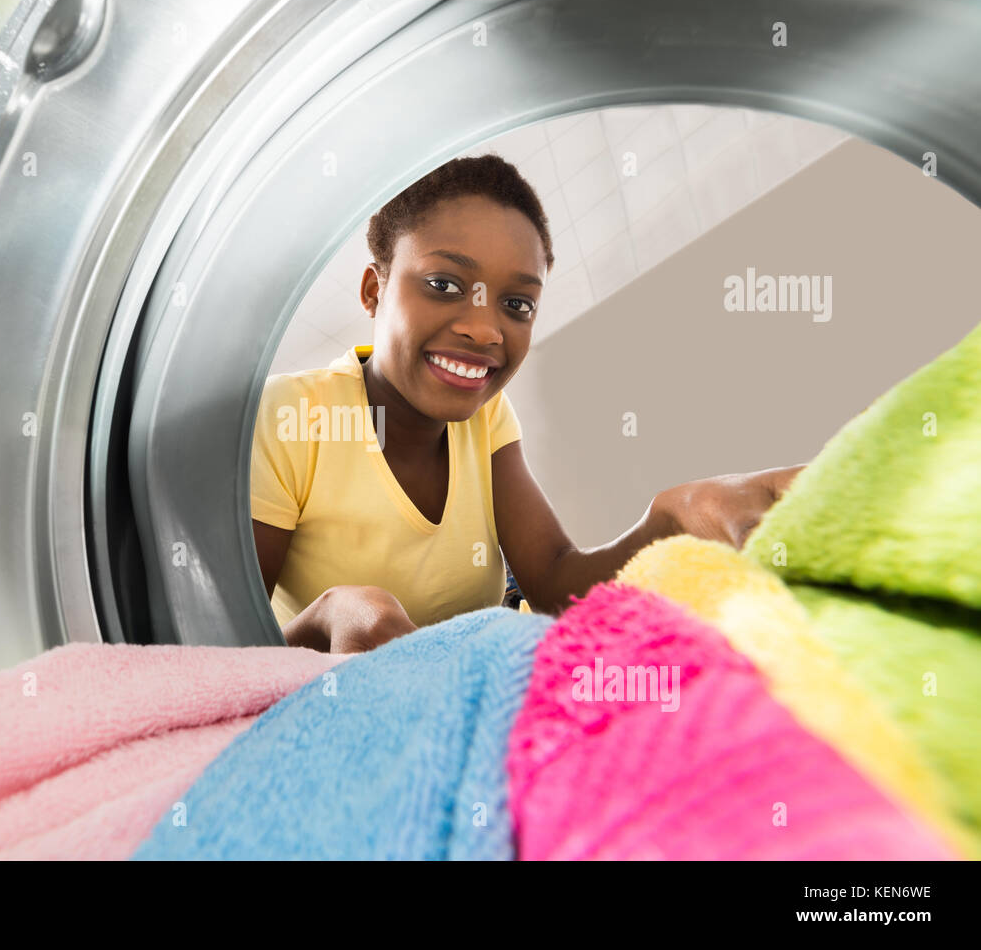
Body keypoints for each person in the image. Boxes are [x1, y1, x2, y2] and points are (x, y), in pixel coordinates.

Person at [251, 154, 803, 654]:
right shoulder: (294, 415)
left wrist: (673, 516)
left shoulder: (486, 416)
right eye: (444, 284)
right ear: (375, 290)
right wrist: (330, 619)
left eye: (516, 303)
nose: (485, 329)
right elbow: (227, 651)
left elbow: (555, 585)